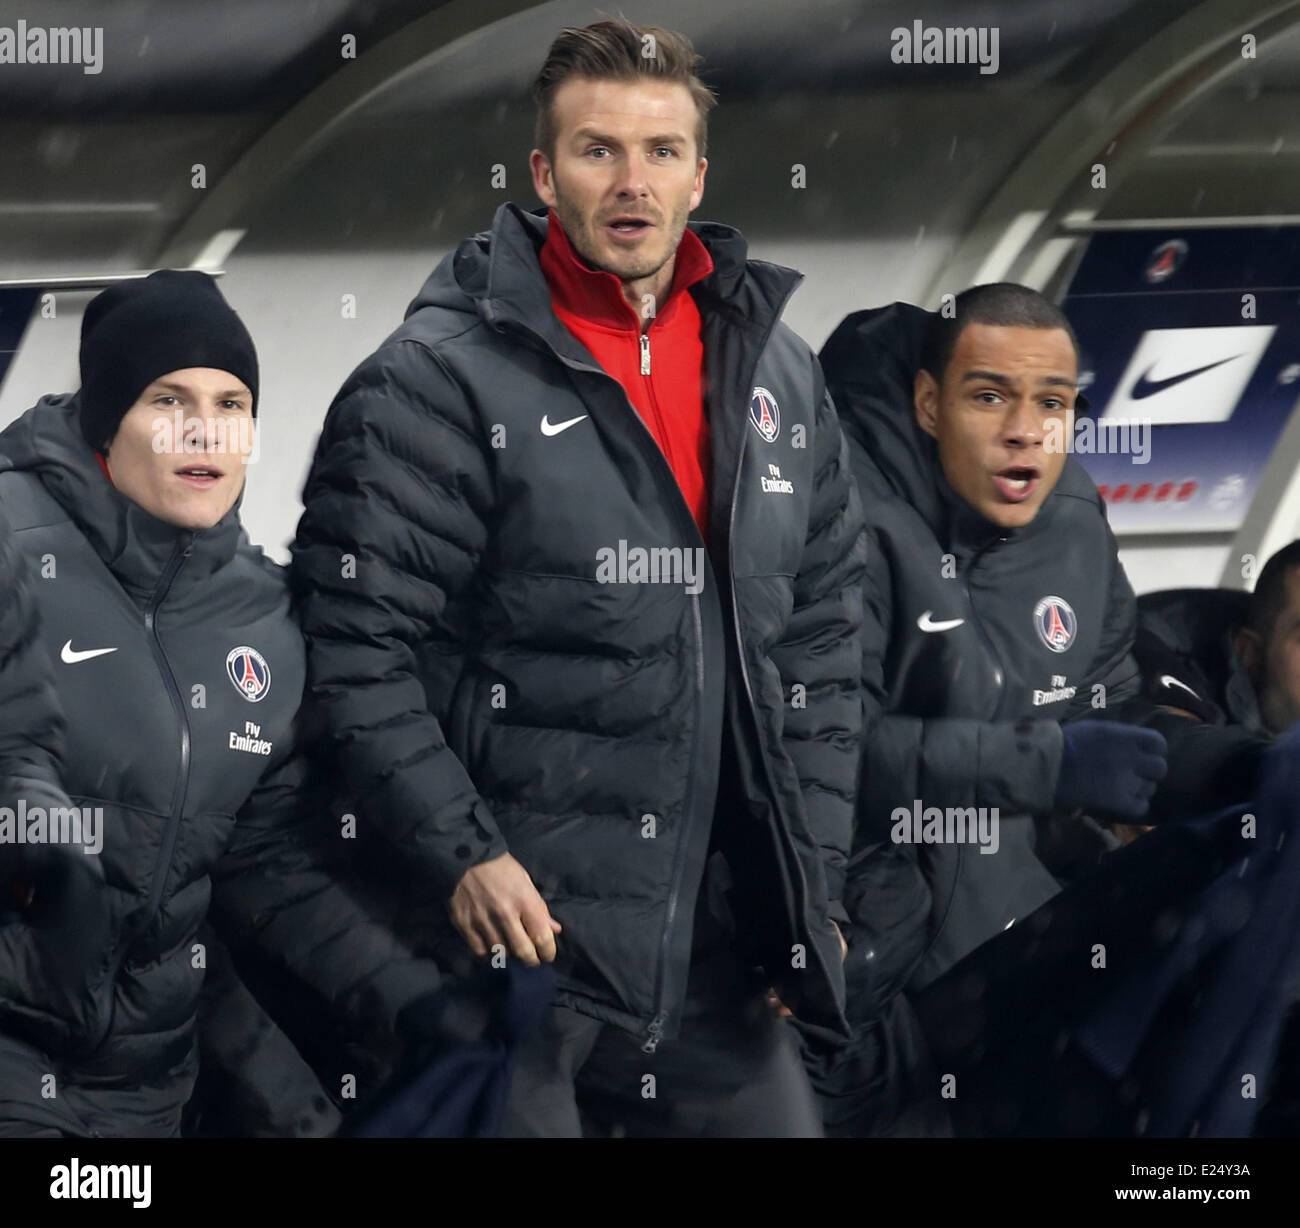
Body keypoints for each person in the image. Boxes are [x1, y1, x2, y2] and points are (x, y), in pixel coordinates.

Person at [291, 18, 864, 1138]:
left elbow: (823, 652)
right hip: (510, 955)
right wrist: (464, 854)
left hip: (711, 959)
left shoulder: (778, 372)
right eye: (598, 151)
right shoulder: (436, 379)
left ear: (701, 176)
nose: (631, 182)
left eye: (659, 152)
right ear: (544, 174)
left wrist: (811, 891)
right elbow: (353, 648)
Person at [812, 284, 1266, 1137]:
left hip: (1024, 947)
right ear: (928, 403)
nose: (1027, 430)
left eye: (1053, 404)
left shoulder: (1072, 518)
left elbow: (1108, 707)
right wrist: (1048, 767)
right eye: (990, 397)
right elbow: (823, 754)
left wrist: (1238, 765)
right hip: (867, 976)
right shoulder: (833, 520)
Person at [0, 270, 444, 1137]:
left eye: (232, 402)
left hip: (144, 1086)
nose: (205, 429)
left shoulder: (266, 620)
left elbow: (259, 862)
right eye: (168, 399)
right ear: (106, 418)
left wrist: (410, 994)